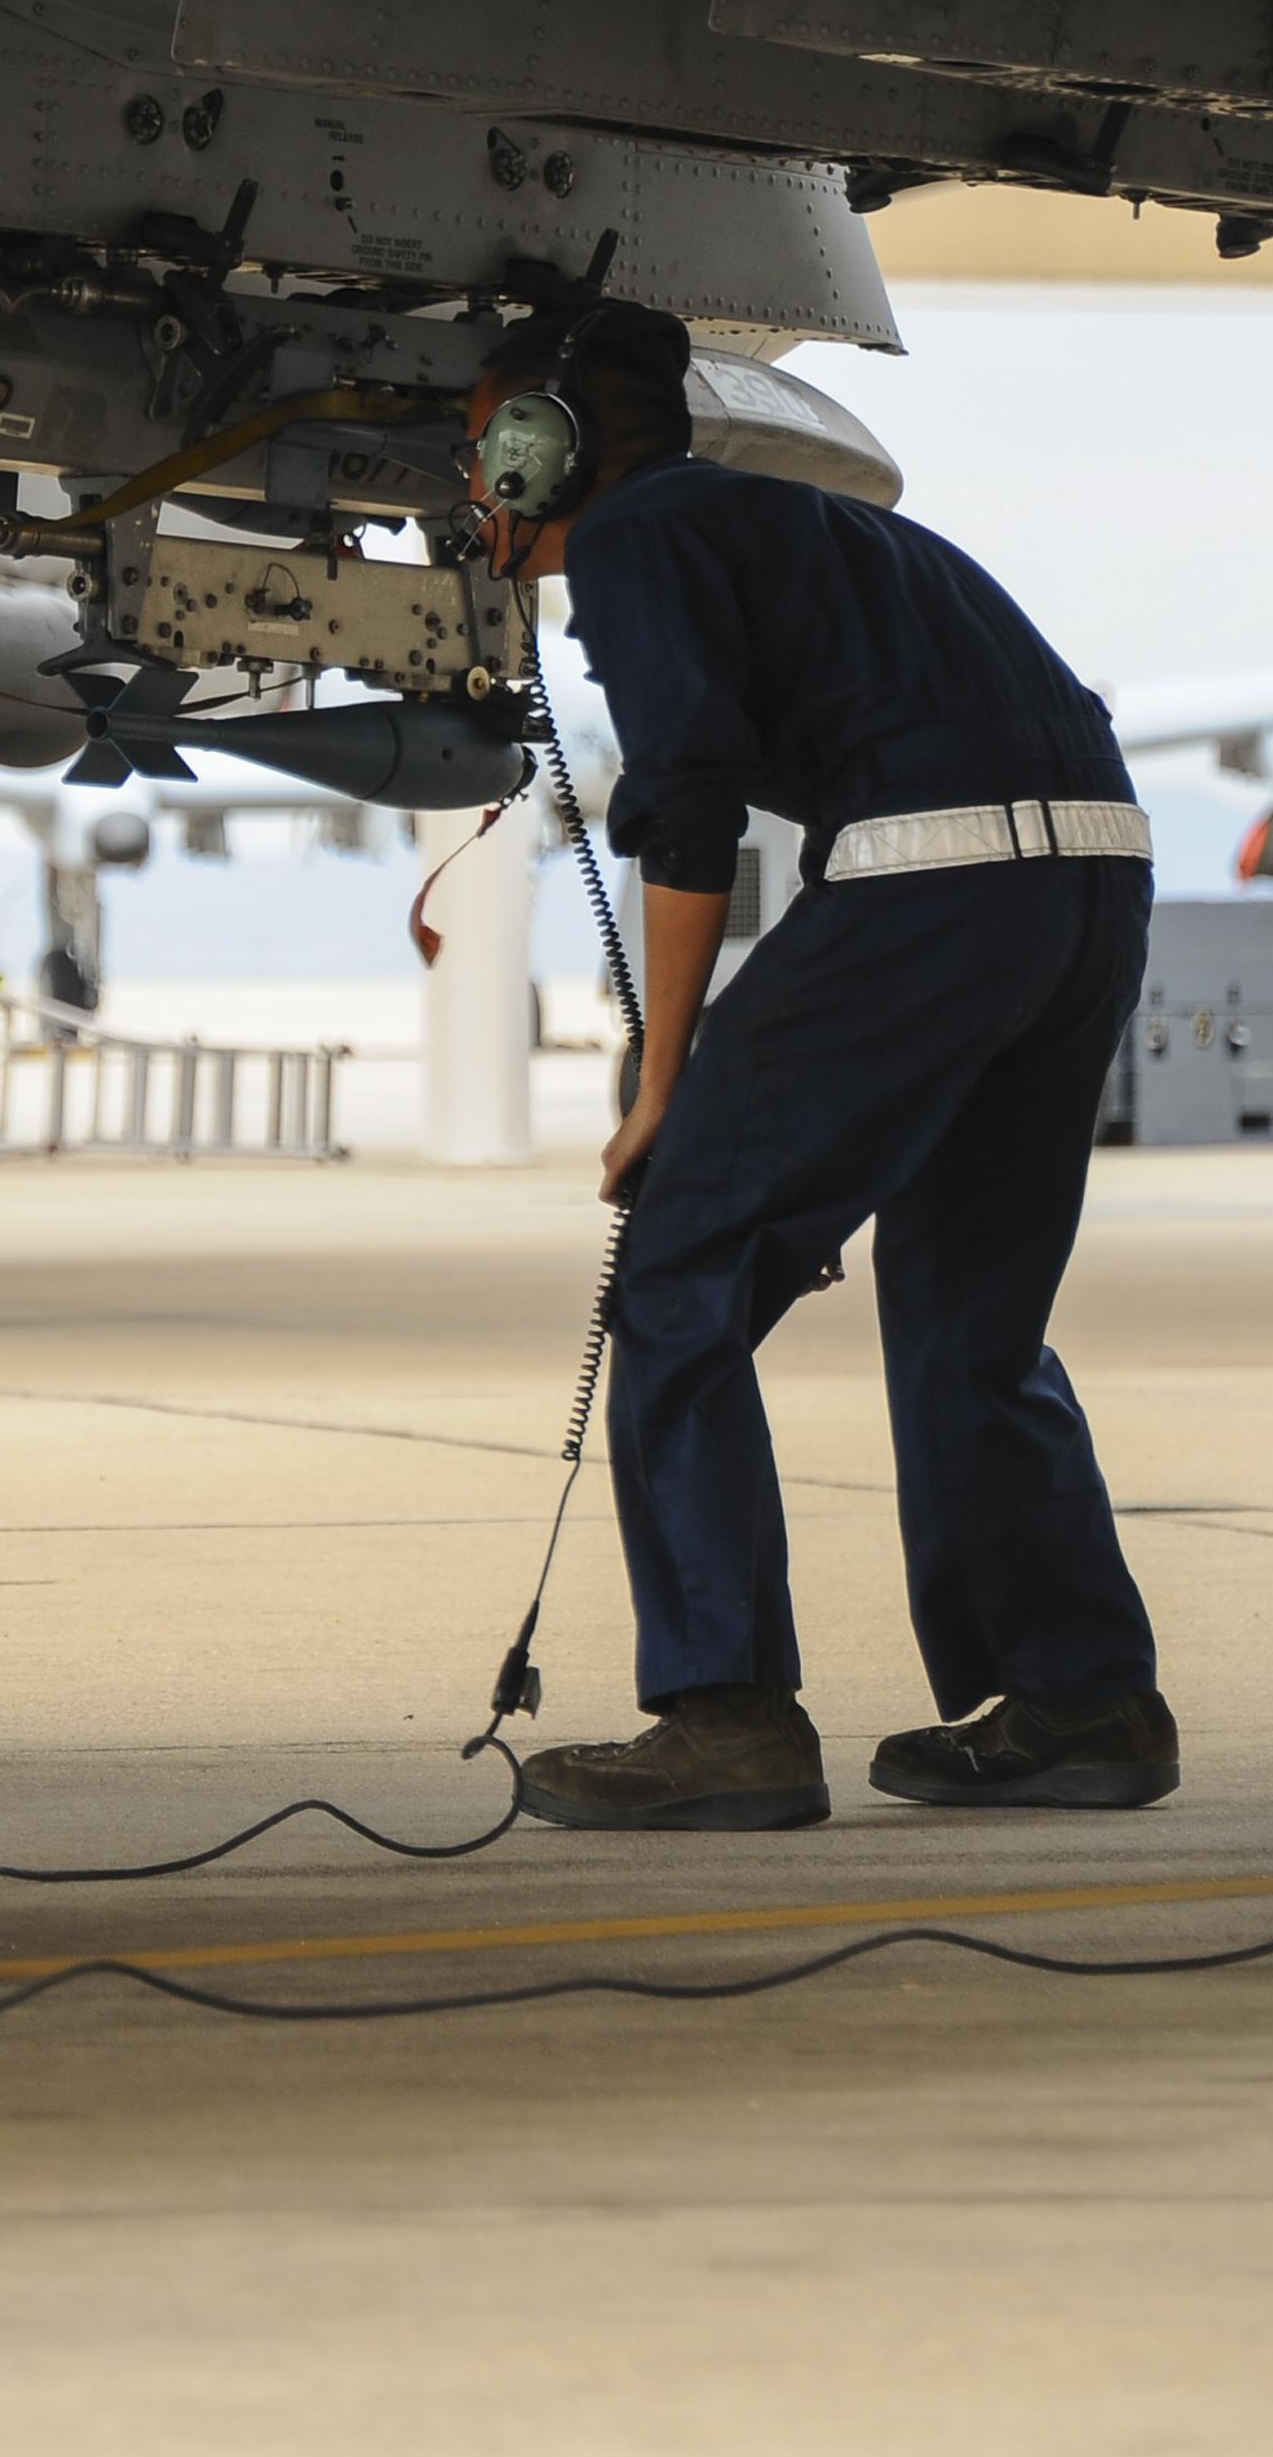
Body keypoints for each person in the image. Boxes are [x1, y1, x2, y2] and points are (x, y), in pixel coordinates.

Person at [465, 300, 1177, 1829]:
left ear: (539, 453)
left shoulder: (642, 538)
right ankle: (1084, 1703)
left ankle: (726, 1717)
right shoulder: (820, 530)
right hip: (1094, 878)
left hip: (932, 883)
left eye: (483, 454)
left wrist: (668, 1083)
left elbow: (688, 813)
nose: (477, 489)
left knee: (679, 1269)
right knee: (973, 1318)